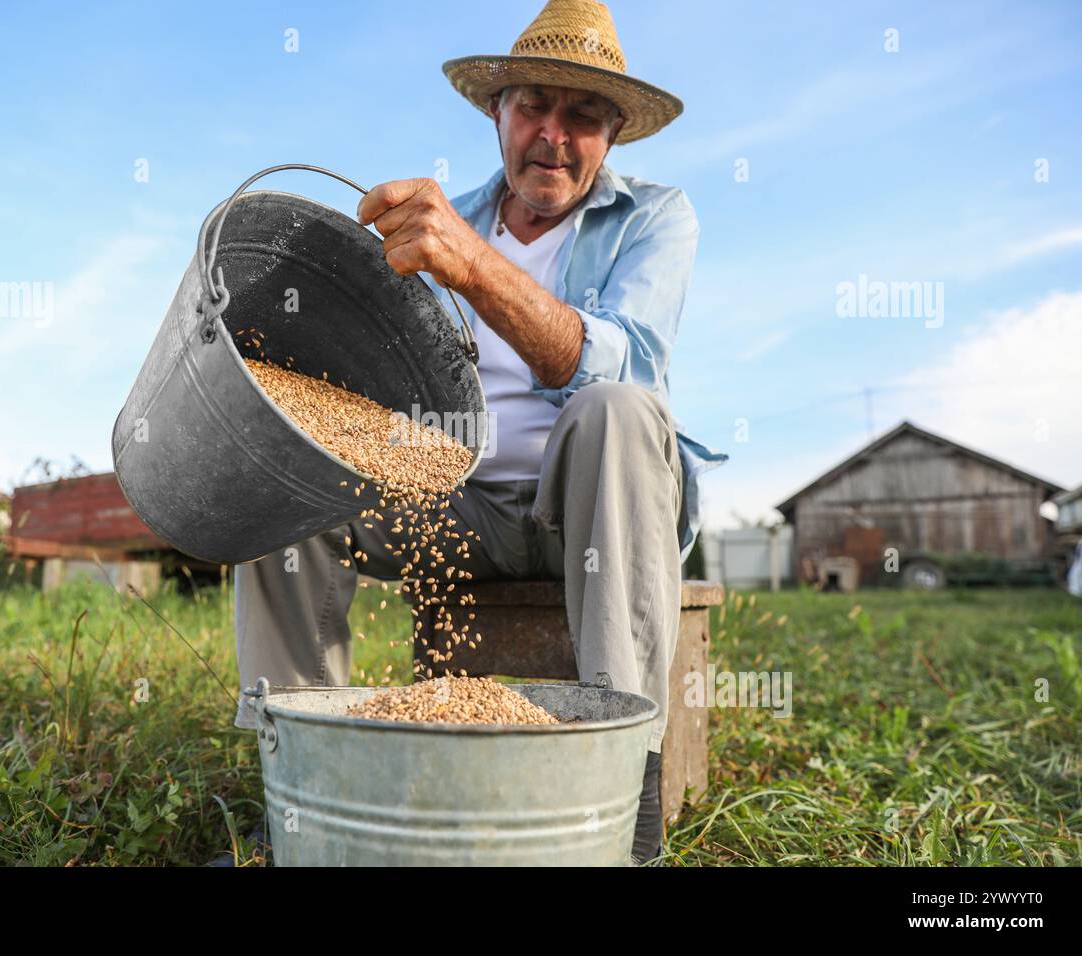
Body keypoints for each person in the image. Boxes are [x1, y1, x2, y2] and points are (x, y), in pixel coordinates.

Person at [232, 0, 726, 864]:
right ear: (496, 110)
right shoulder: (436, 223)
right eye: (533, 103)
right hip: (453, 506)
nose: (554, 135)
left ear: (613, 134)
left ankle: (628, 792)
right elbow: (379, 381)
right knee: (296, 474)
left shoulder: (652, 218)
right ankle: (295, 779)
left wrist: (476, 266)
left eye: (584, 115)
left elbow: (623, 362)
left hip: (595, 507)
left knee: (615, 407)